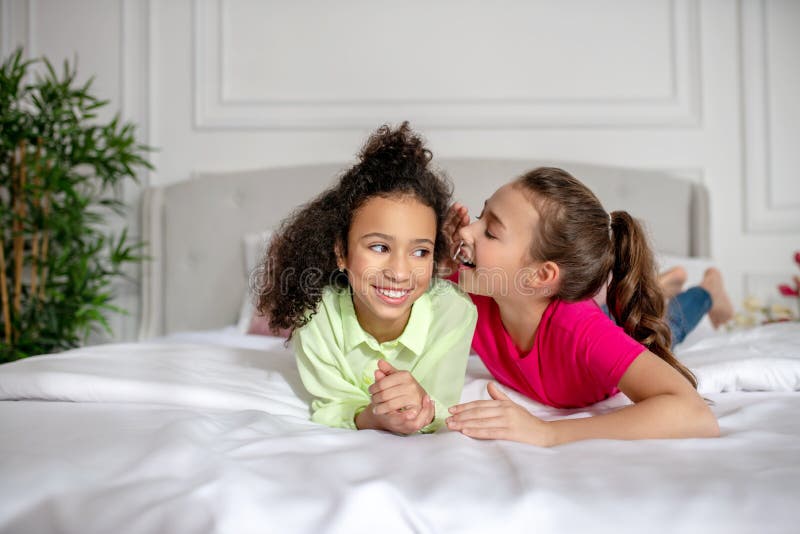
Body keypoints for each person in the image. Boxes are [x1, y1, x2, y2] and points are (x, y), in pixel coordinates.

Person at [442, 167, 720, 446]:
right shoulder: (471, 288)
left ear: (541, 275)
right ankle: (661, 285)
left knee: (666, 325)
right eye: (480, 215)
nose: (466, 230)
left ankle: (709, 288)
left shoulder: (582, 331)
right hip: (582, 314)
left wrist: (548, 432)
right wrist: (435, 256)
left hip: (601, 325)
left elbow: (696, 414)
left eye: (490, 232)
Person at [255, 123, 477, 435]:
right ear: (341, 253)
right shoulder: (317, 315)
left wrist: (423, 408)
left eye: (420, 252)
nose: (399, 273)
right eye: (379, 247)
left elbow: (443, 404)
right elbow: (332, 404)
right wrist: (372, 416)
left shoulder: (453, 313)